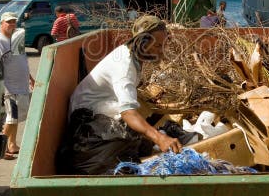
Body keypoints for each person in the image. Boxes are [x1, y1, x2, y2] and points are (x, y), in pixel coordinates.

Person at [61, 15, 181, 174]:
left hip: (100, 107)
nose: (161, 50)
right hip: (86, 120)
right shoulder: (124, 67)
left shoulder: (134, 54)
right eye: (158, 45)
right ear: (143, 42)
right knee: (132, 126)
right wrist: (159, 138)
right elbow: (127, 113)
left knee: (141, 118)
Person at [0, 12, 34, 159]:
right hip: (9, 87)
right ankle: (1, 150)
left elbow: (21, 59)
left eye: (14, 22)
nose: (11, 24)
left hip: (20, 84)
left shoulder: (16, 39)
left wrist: (30, 78)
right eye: (8, 22)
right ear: (1, 24)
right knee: (11, 117)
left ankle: (12, 145)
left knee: (15, 118)